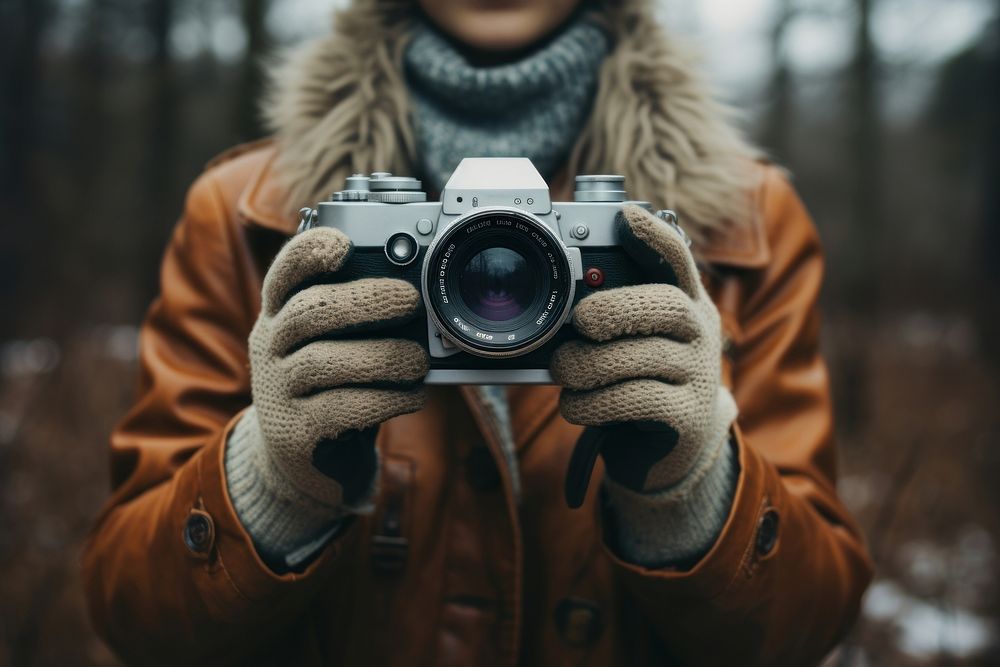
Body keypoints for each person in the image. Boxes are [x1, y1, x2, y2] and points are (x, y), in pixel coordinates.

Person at [82, 0, 874, 664]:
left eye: (518, 274)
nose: (498, 288)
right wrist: (271, 481)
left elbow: (810, 621)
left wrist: (695, 488)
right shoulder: (244, 211)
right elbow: (134, 615)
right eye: (484, 274)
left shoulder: (749, 221)